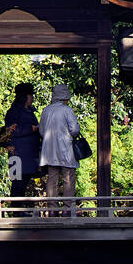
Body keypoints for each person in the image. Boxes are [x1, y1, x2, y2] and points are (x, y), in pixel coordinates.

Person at [39, 83, 80, 214]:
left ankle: (52, 209)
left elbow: (41, 131)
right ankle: (67, 208)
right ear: (65, 97)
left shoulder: (46, 110)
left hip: (49, 150)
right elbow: (75, 130)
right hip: (66, 149)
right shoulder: (67, 110)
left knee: (52, 178)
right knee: (68, 178)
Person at [3, 81, 40, 204]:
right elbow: (11, 130)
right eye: (31, 96)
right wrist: (31, 128)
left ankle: (19, 209)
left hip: (28, 153)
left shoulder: (29, 111)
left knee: (23, 181)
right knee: (17, 182)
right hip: (17, 152)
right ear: (25, 97)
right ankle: (16, 210)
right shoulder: (14, 112)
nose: (32, 98)